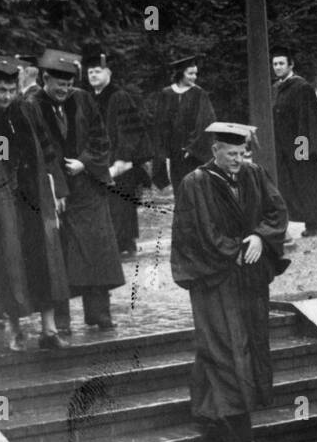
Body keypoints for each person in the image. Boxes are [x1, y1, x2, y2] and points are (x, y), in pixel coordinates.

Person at [171, 122, 291, 442]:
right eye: (231, 154)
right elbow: (197, 233)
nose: (238, 160)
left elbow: (276, 211)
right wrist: (234, 250)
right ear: (215, 151)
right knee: (227, 351)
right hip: (214, 280)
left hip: (248, 280)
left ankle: (206, 411)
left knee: (232, 347)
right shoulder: (195, 183)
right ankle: (241, 437)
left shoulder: (254, 173)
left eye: (242, 153)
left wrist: (259, 237)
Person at [0, 56, 69, 351]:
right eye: (1, 91)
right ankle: (16, 329)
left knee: (44, 260)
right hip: (2, 202)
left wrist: (57, 189)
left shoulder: (28, 112)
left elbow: (48, 152)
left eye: (11, 90)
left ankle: (49, 329)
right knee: (9, 266)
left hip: (34, 199)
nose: (7, 97)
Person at [26, 49, 125, 331]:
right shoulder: (31, 105)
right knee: (58, 257)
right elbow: (36, 150)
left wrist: (84, 162)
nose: (65, 91)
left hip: (87, 187)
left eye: (69, 85)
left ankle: (98, 314)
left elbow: (100, 137)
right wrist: (55, 188)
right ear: (45, 78)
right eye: (60, 85)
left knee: (96, 252)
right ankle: (61, 321)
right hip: (52, 191)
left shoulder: (82, 99)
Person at [82, 44, 152, 256]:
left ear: (108, 73)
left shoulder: (118, 96)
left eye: (97, 71)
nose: (93, 75)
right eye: (90, 72)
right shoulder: (88, 97)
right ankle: (115, 245)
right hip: (99, 159)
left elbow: (129, 131)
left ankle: (125, 245)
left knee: (119, 202)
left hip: (118, 160)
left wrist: (122, 158)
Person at [272, 48, 317, 236]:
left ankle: (313, 226)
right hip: (283, 149)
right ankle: (292, 224)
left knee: (307, 185)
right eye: (275, 64)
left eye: (281, 63)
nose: (277, 67)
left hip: (300, 150)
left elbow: (307, 122)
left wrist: (301, 153)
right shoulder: (277, 88)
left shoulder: (301, 87)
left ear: (291, 65)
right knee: (288, 188)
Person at [152, 55, 216, 193]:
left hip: (193, 153)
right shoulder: (166, 93)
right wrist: (162, 151)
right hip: (174, 152)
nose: (194, 77)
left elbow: (206, 122)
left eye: (196, 74)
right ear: (181, 73)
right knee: (179, 188)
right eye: (190, 73)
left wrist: (192, 148)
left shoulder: (199, 93)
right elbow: (160, 124)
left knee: (196, 189)